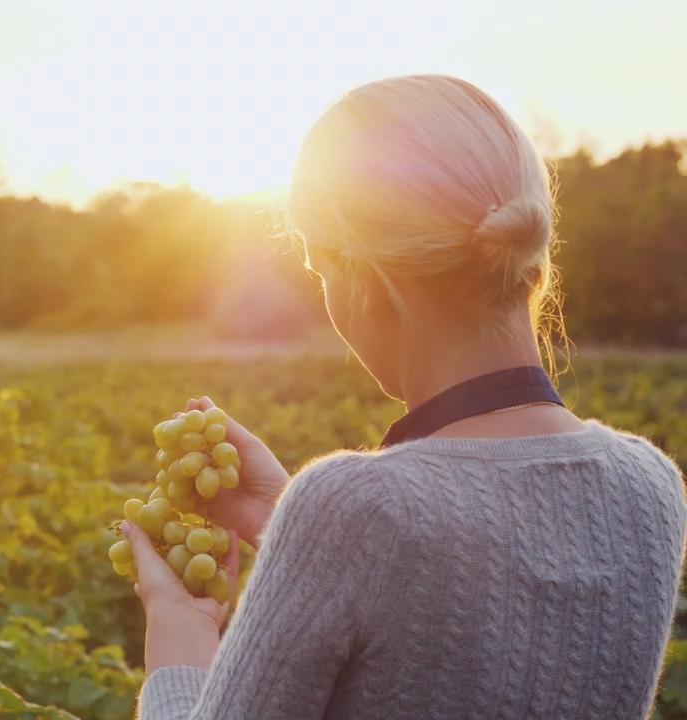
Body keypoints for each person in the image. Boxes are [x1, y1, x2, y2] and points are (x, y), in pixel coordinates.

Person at [123, 75, 687, 720]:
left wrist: (179, 644)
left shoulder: (355, 508)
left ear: (366, 278)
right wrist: (290, 528)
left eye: (320, 269)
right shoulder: (650, 487)